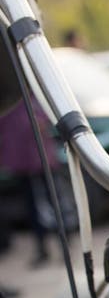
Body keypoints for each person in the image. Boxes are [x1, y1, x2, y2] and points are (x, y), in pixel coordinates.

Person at [0, 97, 59, 266]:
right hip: (20, 159)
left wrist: (40, 122)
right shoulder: (8, 99)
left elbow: (47, 114)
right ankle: (42, 248)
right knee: (31, 206)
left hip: (42, 157)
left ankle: (64, 243)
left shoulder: (33, 95)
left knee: (54, 200)